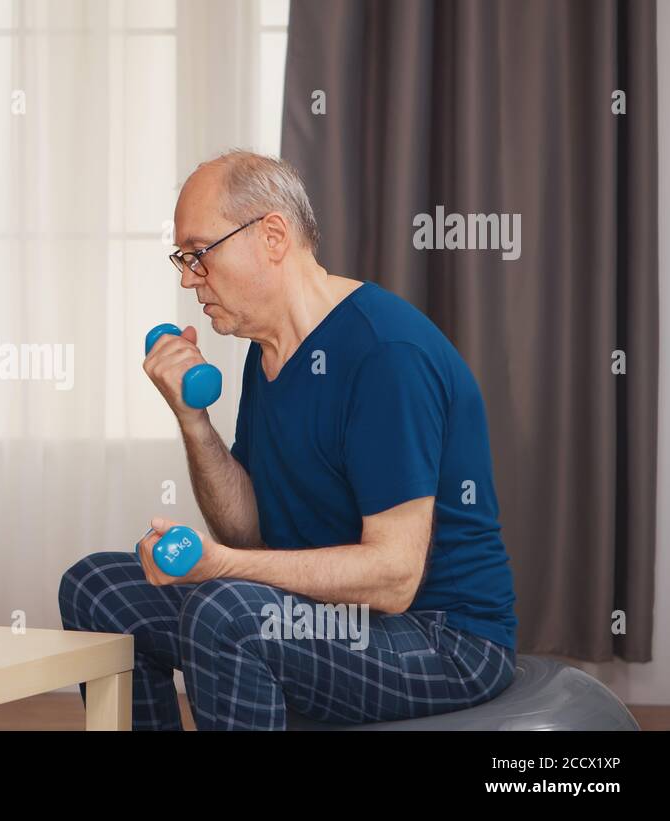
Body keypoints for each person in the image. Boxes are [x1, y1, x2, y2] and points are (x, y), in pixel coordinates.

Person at [59, 150, 518, 731]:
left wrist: (226, 567)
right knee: (98, 588)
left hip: (439, 637)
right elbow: (247, 531)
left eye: (199, 254)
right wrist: (193, 420)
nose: (186, 277)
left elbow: (394, 577)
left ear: (272, 236)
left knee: (224, 611)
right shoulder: (270, 351)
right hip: (329, 614)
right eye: (183, 258)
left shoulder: (385, 355)